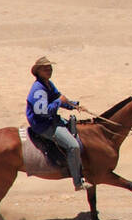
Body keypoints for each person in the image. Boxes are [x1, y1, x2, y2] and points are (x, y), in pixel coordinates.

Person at [25, 56, 86, 191]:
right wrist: (59, 102)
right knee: (73, 146)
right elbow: (43, 112)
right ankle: (78, 182)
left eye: (50, 68)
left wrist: (74, 106)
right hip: (43, 124)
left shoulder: (48, 84)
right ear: (38, 71)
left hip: (52, 119)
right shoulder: (38, 89)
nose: (49, 71)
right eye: (45, 69)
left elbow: (59, 98)